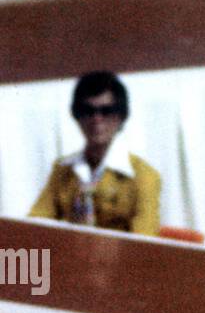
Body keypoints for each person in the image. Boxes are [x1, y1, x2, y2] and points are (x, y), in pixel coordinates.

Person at [28, 71, 161, 235]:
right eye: (88, 111)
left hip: (120, 259)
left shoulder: (143, 177)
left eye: (106, 111)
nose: (97, 119)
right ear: (77, 115)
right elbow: (36, 224)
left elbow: (143, 242)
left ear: (121, 116)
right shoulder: (63, 170)